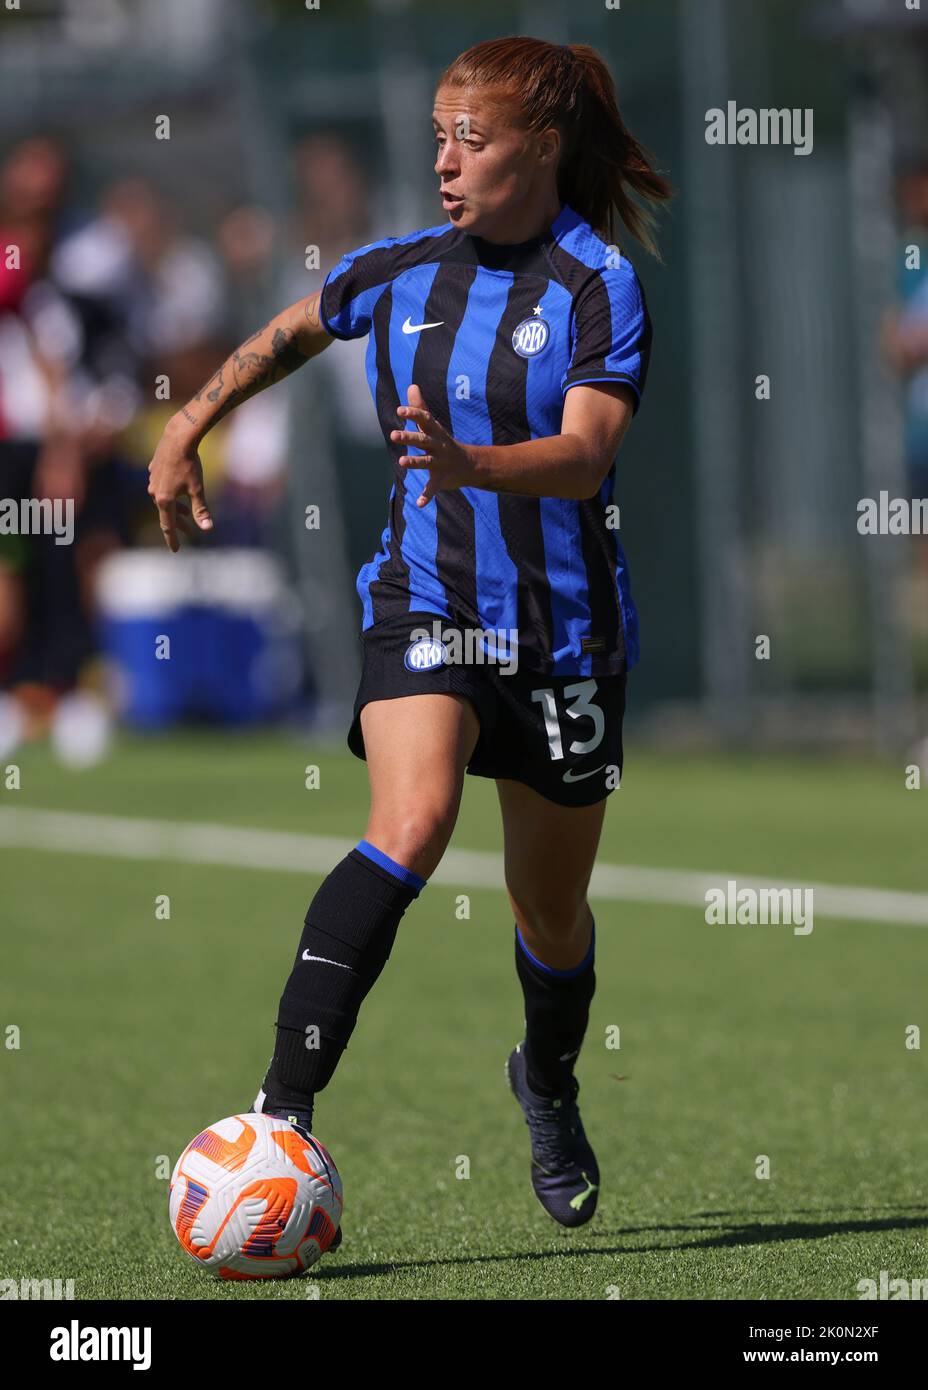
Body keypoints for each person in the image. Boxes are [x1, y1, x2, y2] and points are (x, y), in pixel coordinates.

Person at [147, 35, 671, 1240]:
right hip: (423, 606)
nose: (443, 161)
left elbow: (588, 450)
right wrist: (187, 428)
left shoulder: (596, 284)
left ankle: (545, 1080)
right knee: (411, 823)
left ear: (540, 148)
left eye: (470, 140)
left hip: (561, 637)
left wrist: (472, 461)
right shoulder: (401, 267)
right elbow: (292, 329)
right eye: (437, 134)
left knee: (550, 919)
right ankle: (280, 1117)